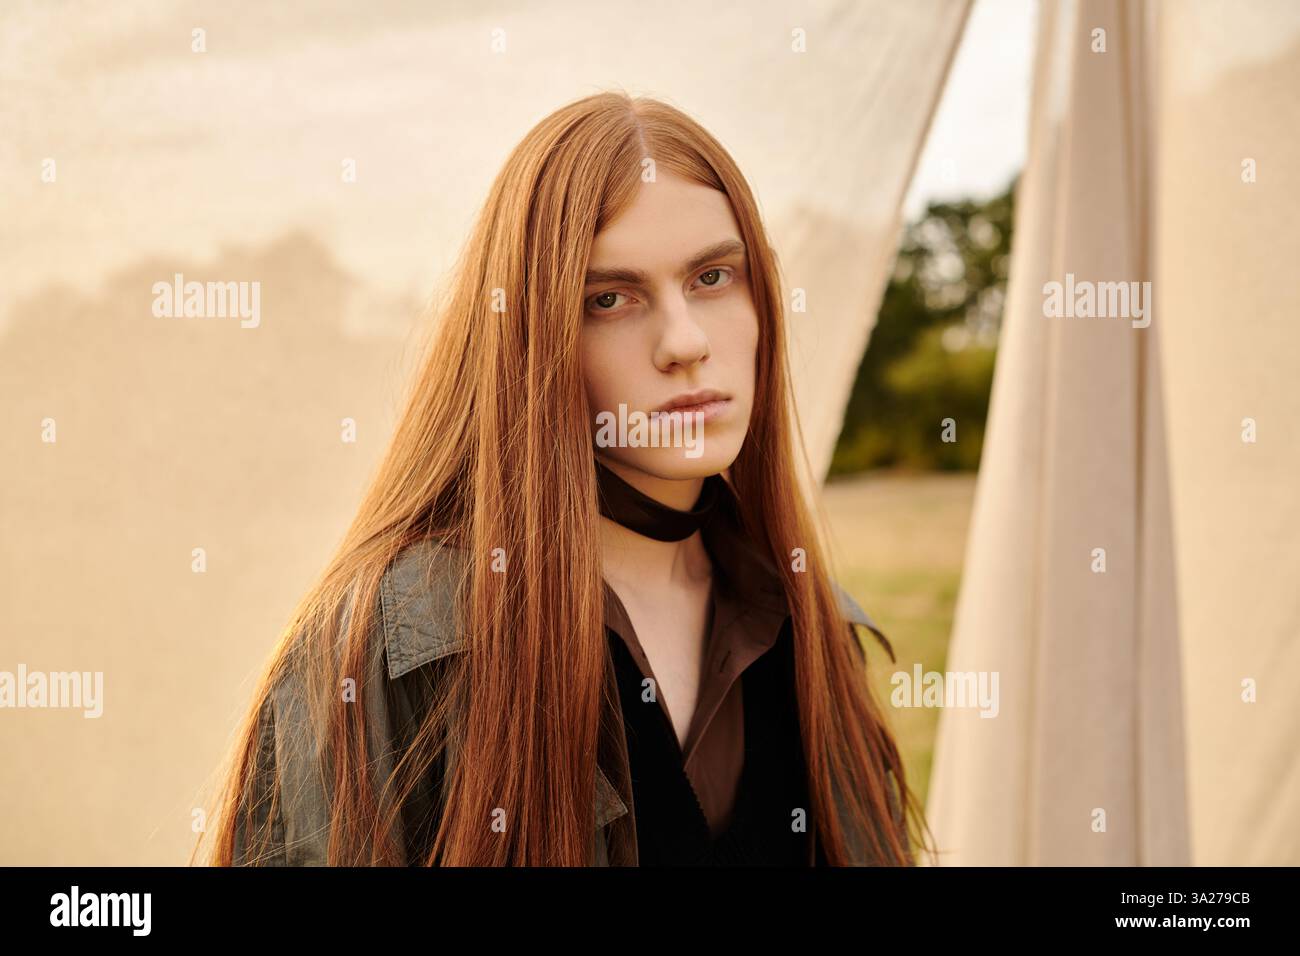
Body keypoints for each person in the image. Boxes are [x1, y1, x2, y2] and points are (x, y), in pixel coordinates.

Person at [204, 91, 929, 866]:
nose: (684, 342)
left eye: (713, 277)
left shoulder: (814, 628)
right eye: (610, 299)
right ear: (535, 336)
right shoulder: (397, 644)